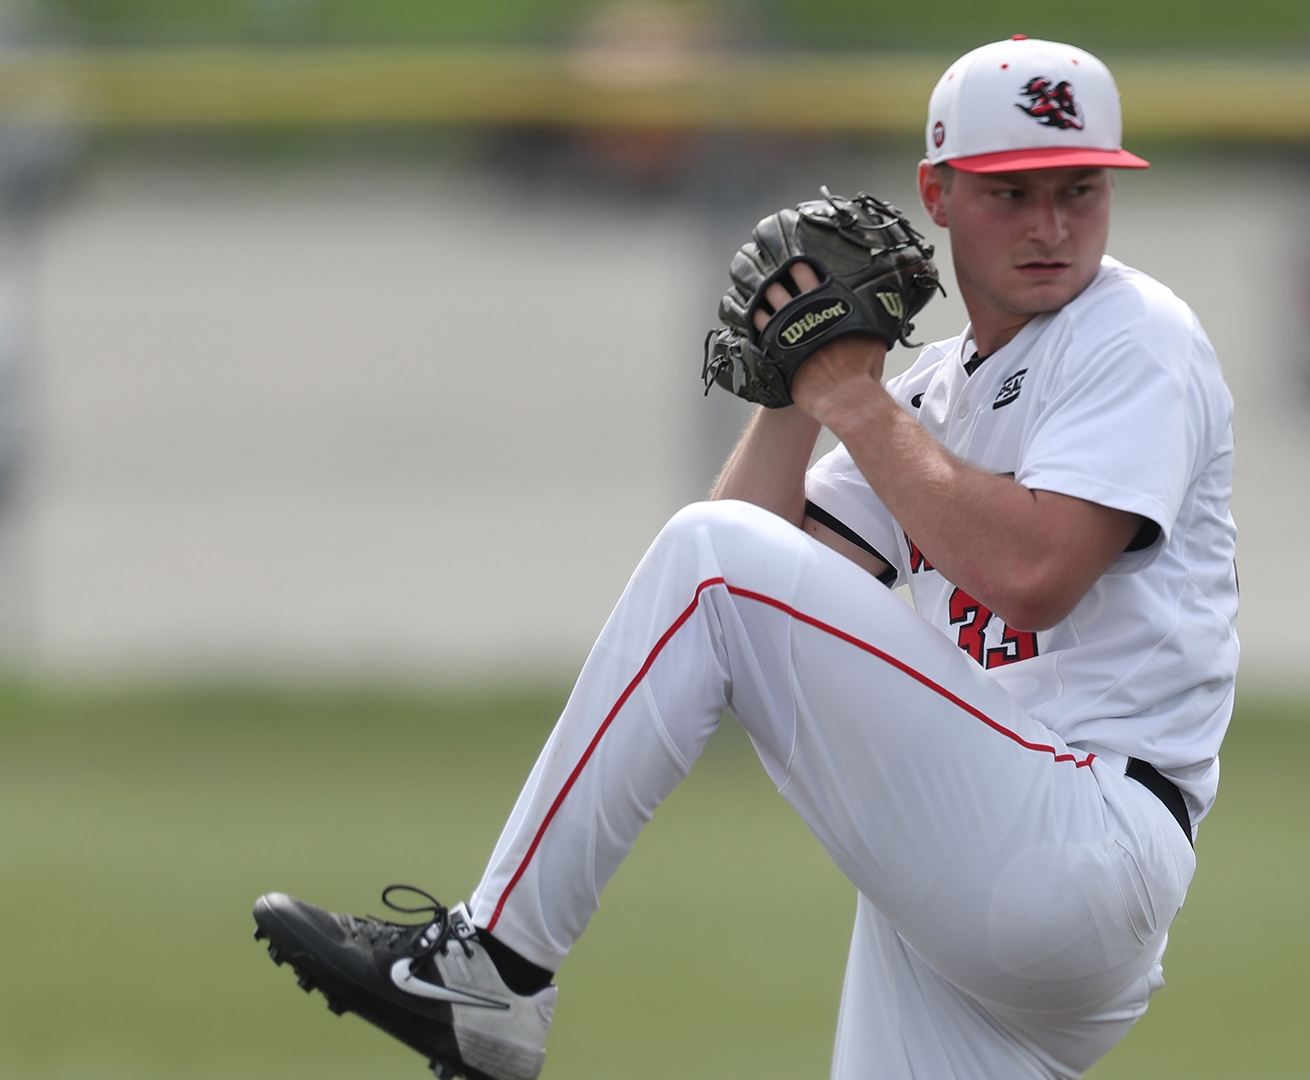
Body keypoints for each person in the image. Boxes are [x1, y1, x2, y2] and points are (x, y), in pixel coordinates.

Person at [253, 35, 1237, 1080]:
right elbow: (746, 622)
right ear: (937, 195)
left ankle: (494, 963)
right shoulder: (930, 398)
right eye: (1011, 192)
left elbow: (1034, 579)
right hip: (985, 853)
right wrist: (794, 389)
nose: (1050, 226)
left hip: (1087, 837)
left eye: (1079, 190)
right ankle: (491, 973)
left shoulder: (1134, 333)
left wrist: (854, 402)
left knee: (709, 560)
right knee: (720, 562)